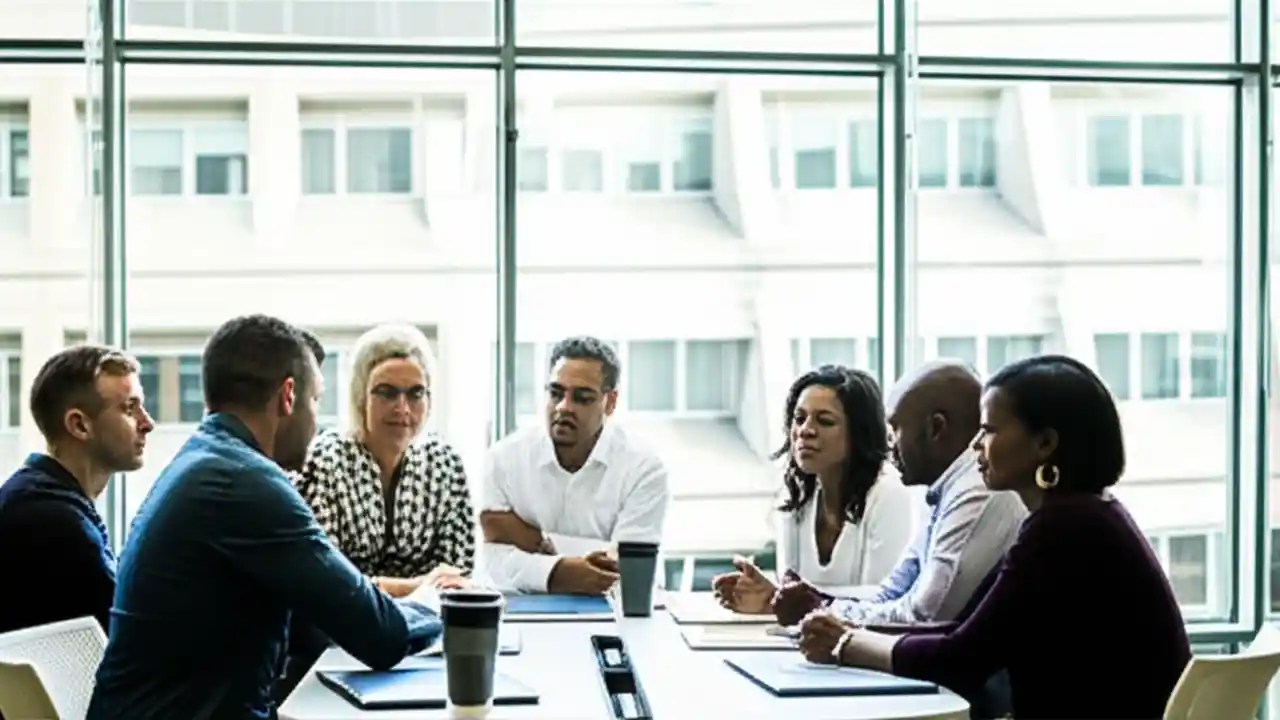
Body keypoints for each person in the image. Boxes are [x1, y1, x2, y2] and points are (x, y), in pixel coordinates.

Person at [798, 355, 1192, 720]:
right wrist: (847, 631)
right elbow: (964, 630)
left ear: (1045, 444)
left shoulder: (1065, 529)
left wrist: (846, 644)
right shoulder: (1084, 516)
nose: (975, 445)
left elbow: (962, 657)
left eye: (988, 430)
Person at [88, 315, 442, 720]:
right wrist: (438, 603)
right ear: (288, 397)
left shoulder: (208, 461)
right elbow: (383, 636)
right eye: (315, 401)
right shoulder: (244, 482)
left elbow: (319, 618)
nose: (317, 422)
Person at [769, 360, 1025, 627]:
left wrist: (823, 610)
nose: (889, 446)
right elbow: (892, 592)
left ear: (936, 429)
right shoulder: (942, 489)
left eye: (896, 429)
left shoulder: (974, 490)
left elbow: (924, 616)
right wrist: (820, 605)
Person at [712, 365, 916, 612]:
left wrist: (778, 598)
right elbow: (791, 593)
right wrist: (763, 596)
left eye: (825, 421)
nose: (805, 431)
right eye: (799, 419)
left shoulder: (888, 493)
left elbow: (883, 599)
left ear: (858, 433)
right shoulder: (795, 494)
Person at [294, 323, 475, 596]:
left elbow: (457, 575)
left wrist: (392, 587)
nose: (402, 408)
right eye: (387, 393)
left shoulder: (446, 465)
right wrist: (417, 585)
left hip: (429, 621)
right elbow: (324, 576)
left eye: (415, 393)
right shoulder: (324, 461)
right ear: (360, 397)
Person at [480, 336, 669, 594]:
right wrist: (558, 573)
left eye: (582, 398)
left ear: (610, 402)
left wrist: (541, 543)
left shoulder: (643, 468)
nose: (563, 407)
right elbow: (491, 566)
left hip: (611, 617)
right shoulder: (503, 459)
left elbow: (634, 574)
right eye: (556, 393)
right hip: (521, 614)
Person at [0, 345, 154, 634]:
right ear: (79, 425)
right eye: (129, 408)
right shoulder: (58, 526)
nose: (147, 423)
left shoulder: (35, 498)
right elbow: (131, 643)